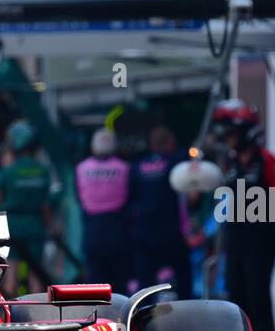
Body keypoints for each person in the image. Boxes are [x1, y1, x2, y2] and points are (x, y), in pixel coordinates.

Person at [213, 99, 275, 331]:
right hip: (235, 237)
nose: (228, 139)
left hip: (260, 236)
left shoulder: (267, 161)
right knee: (235, 293)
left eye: (232, 134)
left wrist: (261, 215)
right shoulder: (229, 163)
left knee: (258, 293)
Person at [0, 120, 56, 294]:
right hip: (35, 225)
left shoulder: (8, 172)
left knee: (11, 276)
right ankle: (37, 316)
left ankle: (9, 316)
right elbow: (46, 205)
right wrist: (52, 227)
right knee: (36, 275)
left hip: (12, 226)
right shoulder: (43, 170)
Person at [130, 125, 192, 297]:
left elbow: (130, 198)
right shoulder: (177, 161)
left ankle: (143, 321)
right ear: (170, 142)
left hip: (144, 235)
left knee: (145, 288)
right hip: (171, 234)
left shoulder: (137, 166)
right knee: (184, 281)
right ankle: (189, 316)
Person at [74, 128, 131, 293]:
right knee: (119, 282)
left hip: (92, 230)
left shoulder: (81, 168)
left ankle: (97, 314)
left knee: (95, 282)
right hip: (117, 229)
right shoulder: (124, 168)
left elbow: (79, 196)